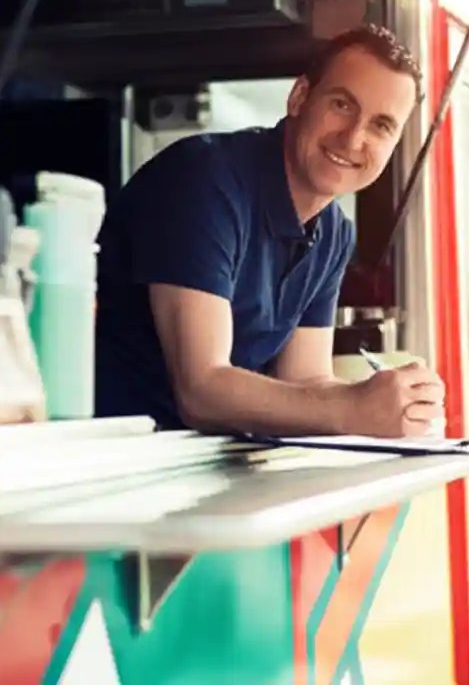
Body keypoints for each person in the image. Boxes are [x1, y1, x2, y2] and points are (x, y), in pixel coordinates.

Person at [94, 25, 445, 437]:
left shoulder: (333, 233)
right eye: (342, 104)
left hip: (207, 464)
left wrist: (394, 405)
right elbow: (201, 390)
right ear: (299, 97)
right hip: (116, 461)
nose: (354, 138)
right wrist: (353, 408)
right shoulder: (204, 180)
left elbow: (306, 381)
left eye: (382, 125)